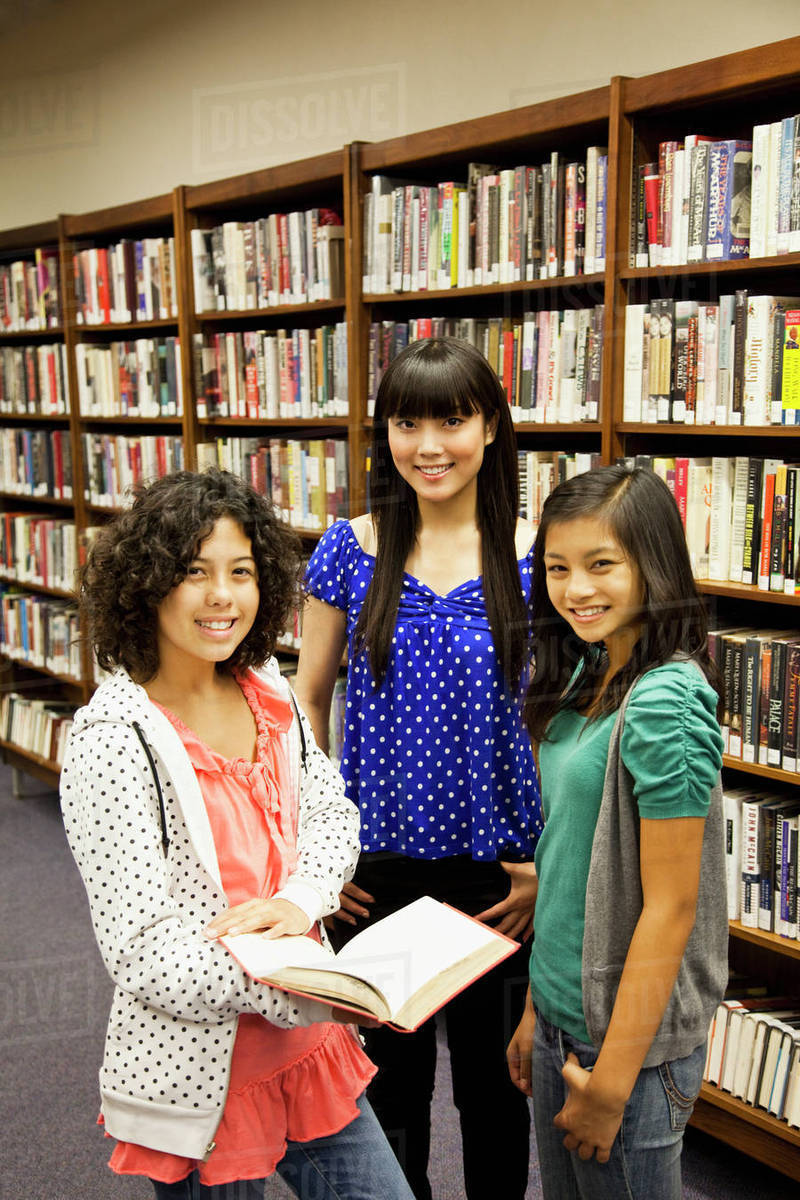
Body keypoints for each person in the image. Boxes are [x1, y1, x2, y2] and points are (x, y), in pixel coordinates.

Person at [60, 468, 414, 1200]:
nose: (223, 597)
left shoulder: (269, 690)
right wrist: (298, 985)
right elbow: (143, 952)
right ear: (149, 583)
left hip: (311, 1054)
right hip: (200, 1078)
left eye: (242, 572)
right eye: (195, 572)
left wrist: (302, 899)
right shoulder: (112, 741)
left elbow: (331, 813)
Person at [294, 336, 542, 1200]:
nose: (429, 445)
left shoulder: (539, 553)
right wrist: (318, 863)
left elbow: (568, 719)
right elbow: (306, 702)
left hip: (502, 881)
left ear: (491, 428)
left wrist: (550, 867)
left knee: (495, 1094)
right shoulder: (350, 548)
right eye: (407, 422)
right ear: (384, 435)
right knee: (390, 1092)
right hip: (377, 874)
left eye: (452, 419)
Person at [506, 465, 728, 1200]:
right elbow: (564, 864)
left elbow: (671, 907)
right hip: (565, 1016)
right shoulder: (589, 669)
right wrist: (538, 1009)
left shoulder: (665, 700)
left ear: (652, 564)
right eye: (558, 567)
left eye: (602, 565)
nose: (576, 590)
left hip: (624, 1047)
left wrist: (612, 1083)